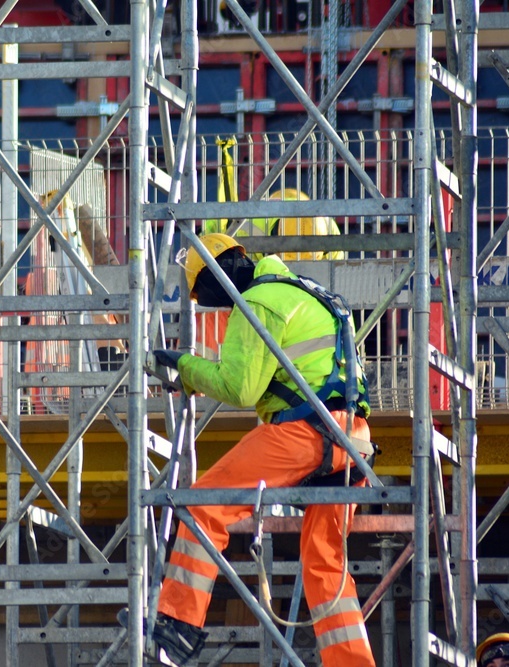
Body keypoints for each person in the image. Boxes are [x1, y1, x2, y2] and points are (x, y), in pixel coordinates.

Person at [142, 233, 377, 666]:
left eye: (203, 291)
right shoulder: (304, 293)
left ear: (220, 272)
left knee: (203, 505)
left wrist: (183, 365)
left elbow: (240, 387)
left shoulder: (259, 301)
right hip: (353, 440)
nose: (211, 302)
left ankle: (177, 626)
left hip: (305, 433)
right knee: (326, 563)